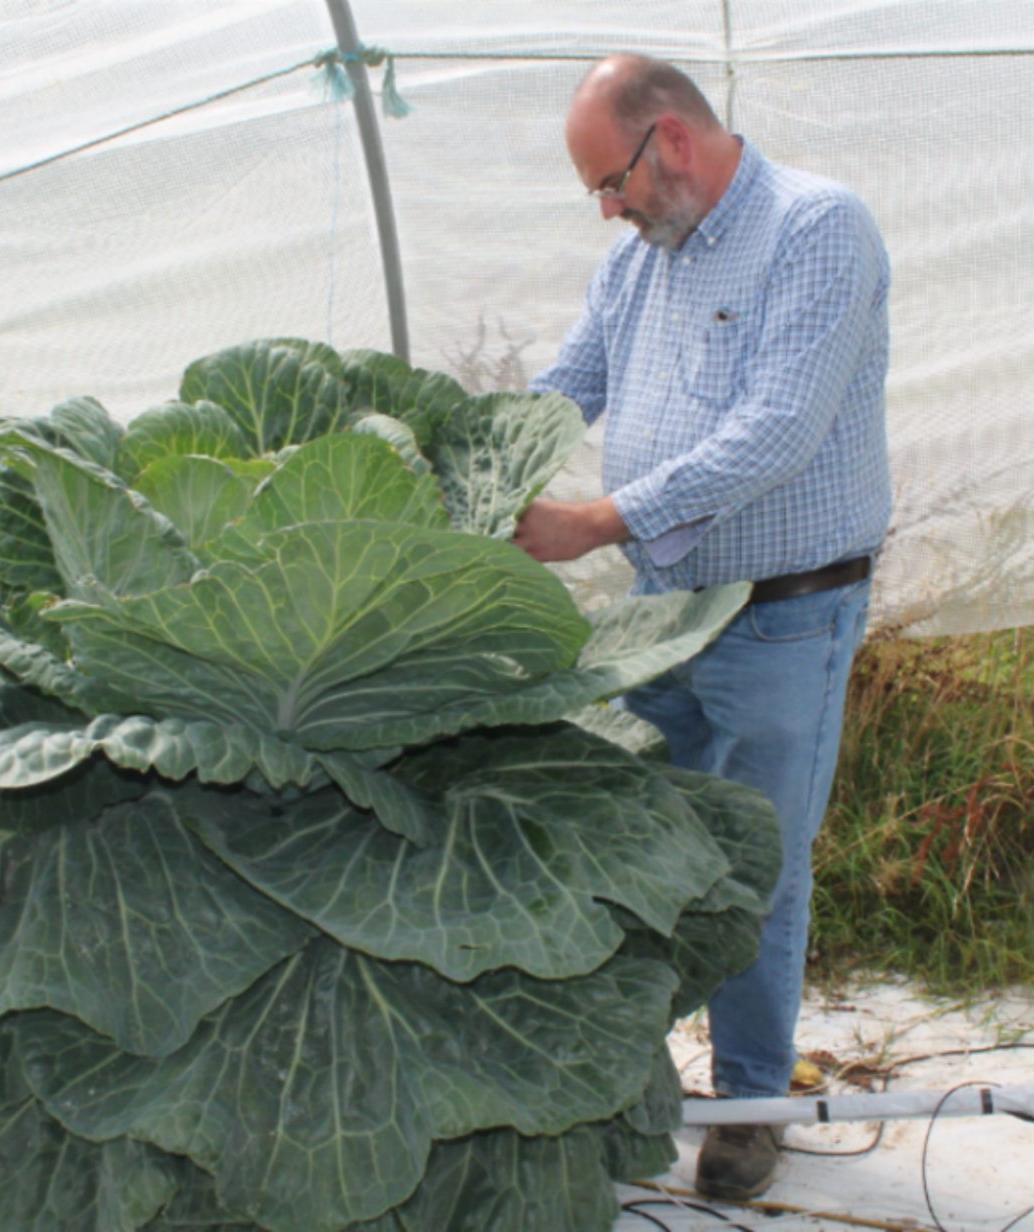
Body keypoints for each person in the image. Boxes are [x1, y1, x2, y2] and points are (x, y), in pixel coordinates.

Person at [514, 53, 891, 1201]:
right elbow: (566, 382)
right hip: (660, 617)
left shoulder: (814, 228)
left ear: (668, 138)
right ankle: (630, 1071)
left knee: (757, 865)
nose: (607, 208)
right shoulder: (641, 260)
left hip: (784, 616)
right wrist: (464, 452)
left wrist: (595, 518)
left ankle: (747, 1102)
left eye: (610, 181)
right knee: (635, 845)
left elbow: (777, 428)